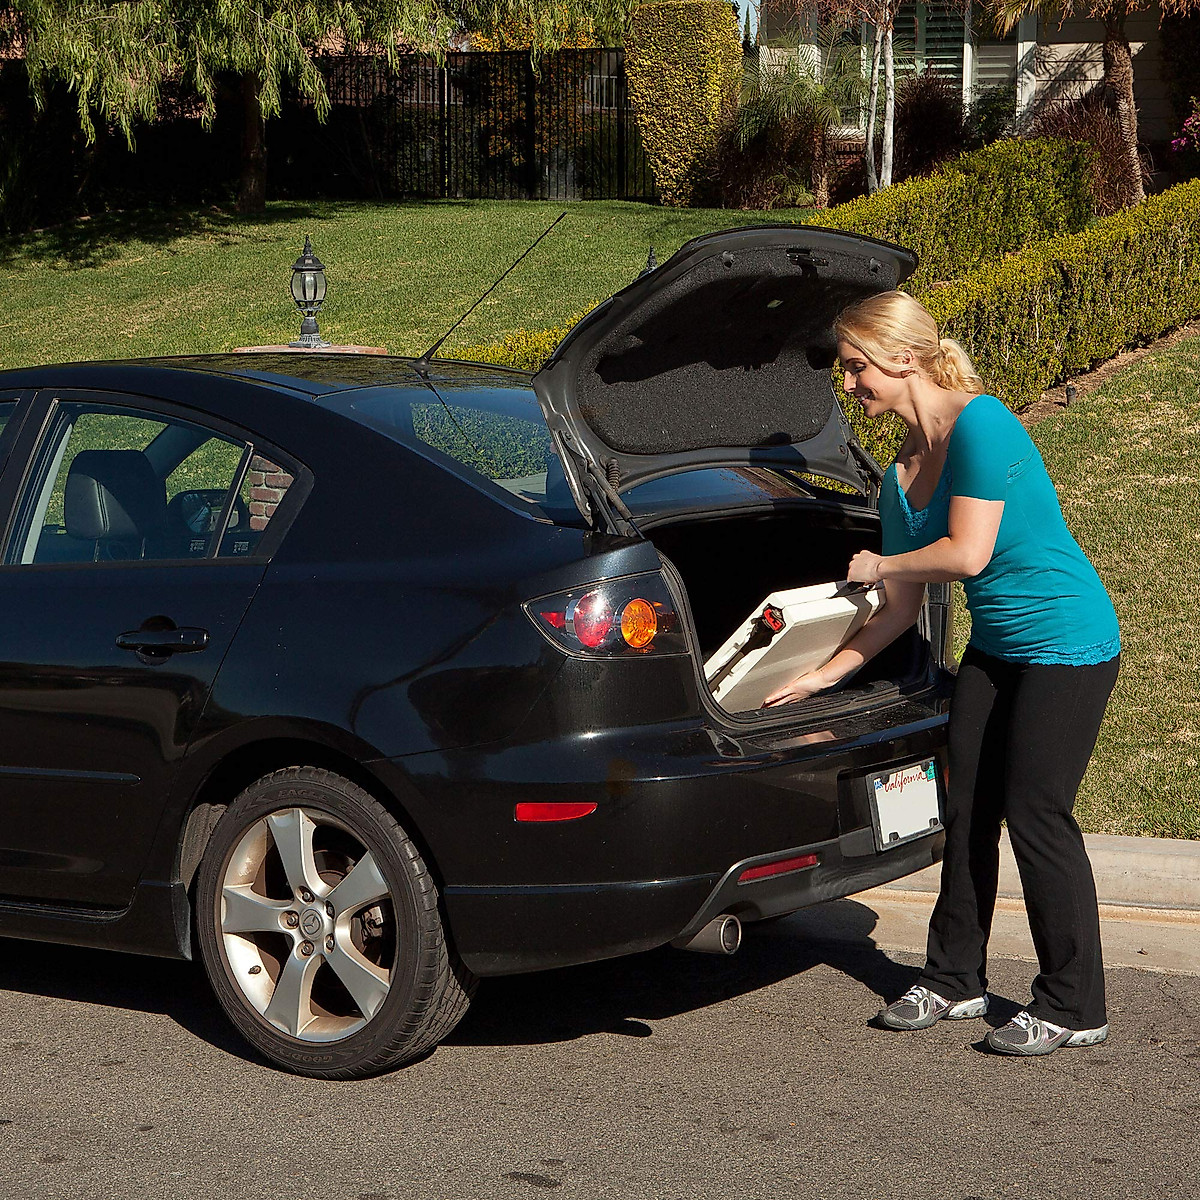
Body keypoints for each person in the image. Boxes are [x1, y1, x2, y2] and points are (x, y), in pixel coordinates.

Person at [762, 291, 1121, 1057]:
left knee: (1035, 811)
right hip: (997, 648)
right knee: (962, 807)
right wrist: (820, 677)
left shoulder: (981, 423)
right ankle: (955, 978)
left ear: (901, 357)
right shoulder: (898, 476)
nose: (850, 385)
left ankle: (1074, 1001)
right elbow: (895, 611)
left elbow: (968, 554)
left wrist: (882, 559)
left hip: (1068, 640)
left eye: (856, 367)